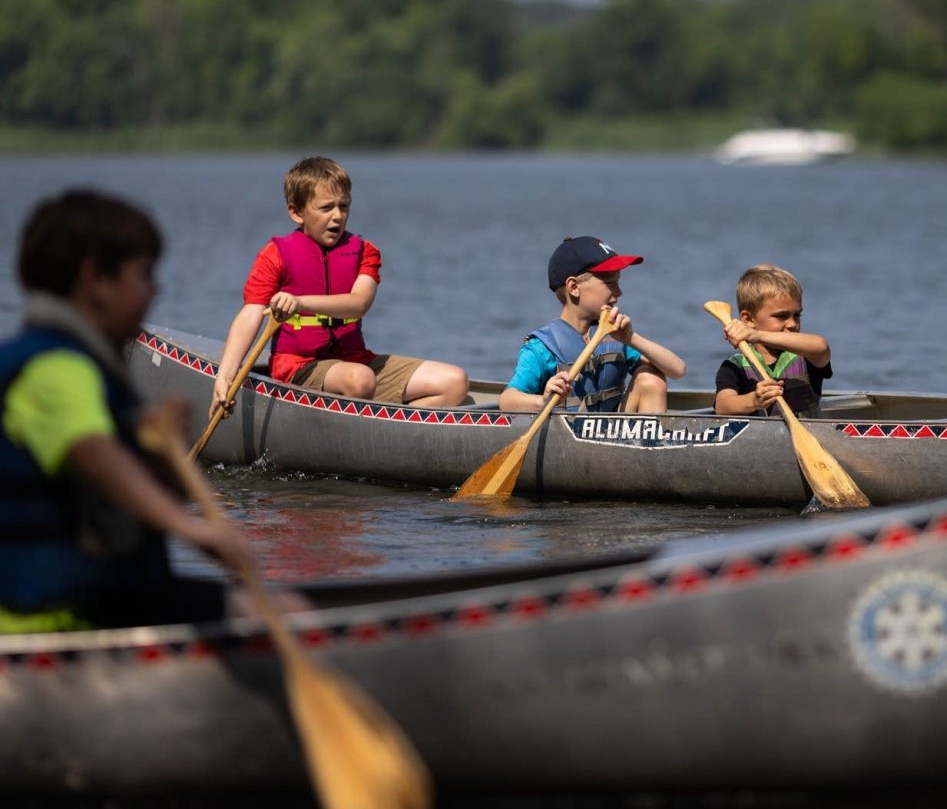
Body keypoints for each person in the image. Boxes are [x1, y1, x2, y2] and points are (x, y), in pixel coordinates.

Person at [0, 190, 267, 631]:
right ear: (95, 282)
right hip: (50, 616)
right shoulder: (55, 367)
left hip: (107, 595)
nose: (156, 290)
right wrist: (191, 529)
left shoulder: (91, 367)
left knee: (283, 606)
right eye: (143, 275)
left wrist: (164, 452)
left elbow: (135, 492)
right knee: (284, 612)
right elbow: (95, 455)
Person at [209, 157, 468, 417]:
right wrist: (225, 377)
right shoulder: (275, 254)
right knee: (360, 380)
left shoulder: (365, 251)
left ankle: (387, 433)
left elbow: (360, 303)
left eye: (344, 207)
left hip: (357, 362)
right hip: (300, 367)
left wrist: (300, 302)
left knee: (454, 383)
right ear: (297, 212)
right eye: (326, 208)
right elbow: (250, 315)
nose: (337, 216)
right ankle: (368, 429)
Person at [498, 236, 685, 413]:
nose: (619, 292)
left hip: (616, 432)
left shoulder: (616, 335)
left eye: (618, 283)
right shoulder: (541, 348)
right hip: (565, 435)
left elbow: (677, 370)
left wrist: (631, 338)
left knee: (650, 377)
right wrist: (542, 401)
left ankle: (645, 446)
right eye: (610, 283)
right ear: (574, 287)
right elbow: (507, 400)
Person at [713, 264, 833, 416]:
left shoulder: (806, 356)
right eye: (781, 316)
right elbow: (723, 406)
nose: (792, 323)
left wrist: (756, 335)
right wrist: (754, 400)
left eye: (797, 315)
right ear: (748, 319)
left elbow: (821, 347)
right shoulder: (734, 367)